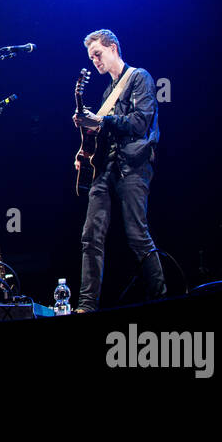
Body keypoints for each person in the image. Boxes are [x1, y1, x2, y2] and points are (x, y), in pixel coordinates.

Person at [73, 29, 165, 311]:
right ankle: (86, 306)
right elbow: (104, 132)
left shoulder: (140, 77)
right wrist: (86, 150)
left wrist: (100, 120)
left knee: (137, 234)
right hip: (106, 168)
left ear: (113, 48)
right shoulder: (106, 92)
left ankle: (161, 298)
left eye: (98, 54)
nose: (95, 61)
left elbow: (140, 123)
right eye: (91, 58)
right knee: (91, 236)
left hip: (134, 166)